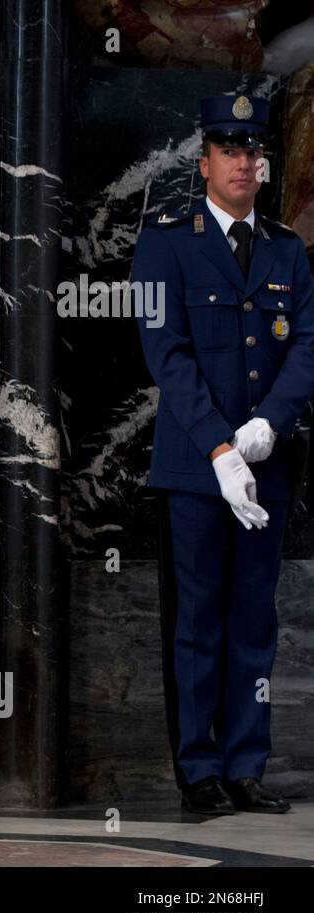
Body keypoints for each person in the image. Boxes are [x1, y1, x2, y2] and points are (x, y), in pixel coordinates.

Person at [133, 93, 314, 815]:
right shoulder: (165, 243)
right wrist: (218, 445)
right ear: (204, 161)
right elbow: (164, 351)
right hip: (194, 469)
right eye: (229, 150)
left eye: (253, 151)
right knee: (198, 623)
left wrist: (269, 423)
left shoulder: (286, 250)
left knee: (252, 621)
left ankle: (246, 763)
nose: (243, 162)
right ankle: (199, 770)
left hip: (266, 467)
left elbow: (306, 344)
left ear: (263, 164)